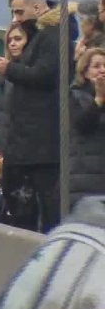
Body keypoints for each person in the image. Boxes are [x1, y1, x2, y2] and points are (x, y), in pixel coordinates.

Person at [0, 0, 63, 233]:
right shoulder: (41, 36)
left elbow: (45, 75)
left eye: (19, 12)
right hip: (28, 140)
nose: (16, 19)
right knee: (23, 203)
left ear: (37, 8)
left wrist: (9, 70)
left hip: (40, 142)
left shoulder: (52, 37)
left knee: (45, 204)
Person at [69, 47, 105, 211]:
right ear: (84, 72)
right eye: (96, 66)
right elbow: (82, 125)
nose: (102, 70)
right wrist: (99, 99)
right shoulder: (75, 96)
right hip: (85, 176)